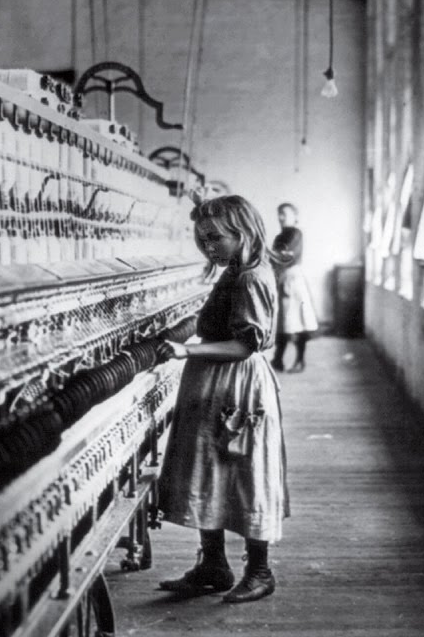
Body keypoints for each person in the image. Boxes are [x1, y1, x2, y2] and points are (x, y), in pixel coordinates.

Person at [155, 195, 289, 604]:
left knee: (246, 473)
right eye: (202, 238)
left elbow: (245, 345)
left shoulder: (250, 277)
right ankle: (213, 565)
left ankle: (260, 571)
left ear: (243, 232)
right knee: (209, 470)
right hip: (216, 384)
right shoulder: (236, 271)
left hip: (237, 385)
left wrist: (185, 351)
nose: (208, 246)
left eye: (216, 237)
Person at [270, 203, 319, 373]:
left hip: (293, 280)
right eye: (279, 214)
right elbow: (275, 259)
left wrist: (269, 255)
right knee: (283, 323)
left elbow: (285, 256)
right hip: (282, 280)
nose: (281, 217)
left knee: (299, 322)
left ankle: (300, 360)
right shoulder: (279, 237)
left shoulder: (295, 234)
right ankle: (278, 359)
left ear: (294, 216)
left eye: (284, 214)